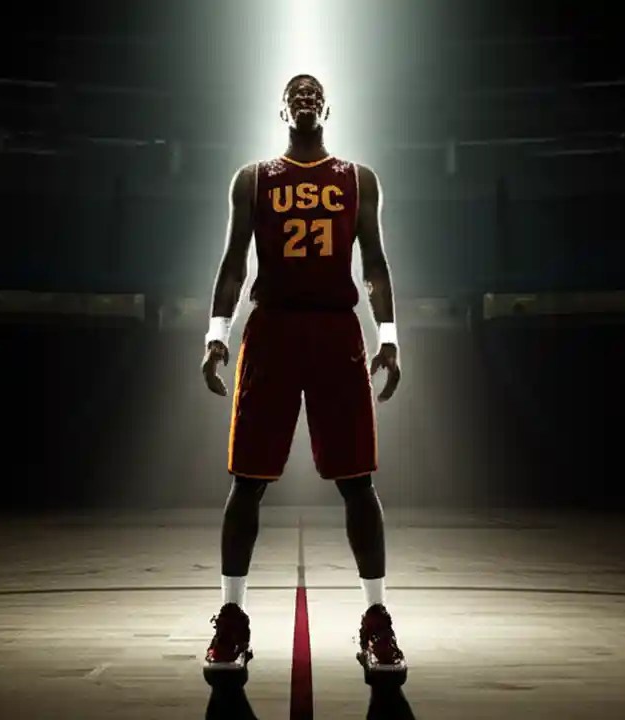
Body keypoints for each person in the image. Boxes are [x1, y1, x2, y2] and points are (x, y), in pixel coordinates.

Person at [200, 74, 405, 684]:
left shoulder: (357, 178)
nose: (306, 95)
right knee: (248, 480)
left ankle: (376, 619)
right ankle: (232, 617)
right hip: (272, 329)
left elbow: (374, 263)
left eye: (315, 89)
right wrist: (215, 331)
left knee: (357, 480)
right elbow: (236, 260)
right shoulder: (254, 178)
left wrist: (390, 337)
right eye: (296, 89)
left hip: (336, 330)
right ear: (281, 107)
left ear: (329, 106)